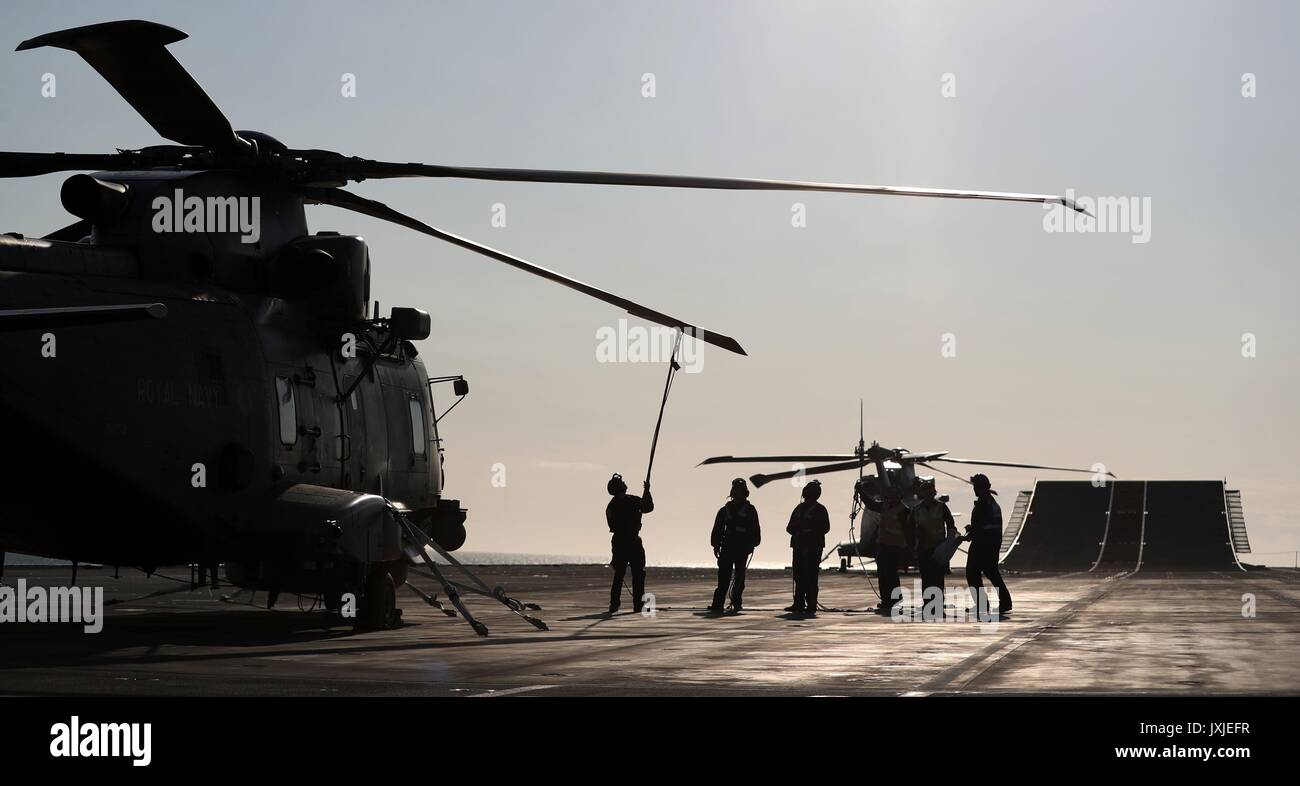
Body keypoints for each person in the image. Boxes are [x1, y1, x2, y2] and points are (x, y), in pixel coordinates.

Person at [708, 478, 761, 613]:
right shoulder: (724, 510)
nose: (738, 493)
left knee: (739, 578)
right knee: (723, 578)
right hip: (727, 548)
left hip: (742, 549)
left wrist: (752, 544)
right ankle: (718, 603)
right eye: (736, 491)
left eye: (740, 491)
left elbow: (755, 530)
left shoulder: (750, 510)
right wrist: (716, 545)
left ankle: (736, 602)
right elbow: (718, 529)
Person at [963, 473, 1012, 618]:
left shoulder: (984, 504)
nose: (975, 489)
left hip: (983, 545)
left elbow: (981, 526)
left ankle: (984, 603)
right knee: (992, 573)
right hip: (991, 543)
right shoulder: (991, 503)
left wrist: (970, 533)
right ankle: (1004, 602)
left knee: (972, 573)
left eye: (977, 486)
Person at [909, 477, 957, 620]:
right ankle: (928, 605)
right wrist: (912, 546)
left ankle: (937, 605)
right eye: (926, 492)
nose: (929, 495)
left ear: (933, 493)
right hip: (924, 549)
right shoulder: (916, 510)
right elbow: (910, 529)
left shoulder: (942, 507)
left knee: (937, 579)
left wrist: (949, 544)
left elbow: (951, 526)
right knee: (926, 579)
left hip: (938, 550)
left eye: (931, 492)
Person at [606, 473, 653, 614]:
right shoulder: (617, 504)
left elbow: (647, 507)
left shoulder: (627, 501)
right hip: (625, 541)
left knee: (633, 574)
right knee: (626, 574)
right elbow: (647, 507)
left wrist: (647, 491)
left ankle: (630, 604)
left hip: (626, 541)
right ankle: (620, 604)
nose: (625, 483)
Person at [785, 480, 830, 617]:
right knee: (798, 575)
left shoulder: (820, 510)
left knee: (811, 575)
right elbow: (789, 527)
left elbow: (825, 528)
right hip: (799, 546)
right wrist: (799, 530)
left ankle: (811, 603)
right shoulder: (799, 509)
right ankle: (798, 603)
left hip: (813, 547)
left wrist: (809, 531)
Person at [874, 486, 910, 615]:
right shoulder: (884, 506)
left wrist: (908, 548)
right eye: (889, 497)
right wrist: (861, 493)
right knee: (883, 574)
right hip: (883, 545)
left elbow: (908, 530)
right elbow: (872, 504)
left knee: (891, 574)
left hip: (895, 546)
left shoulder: (903, 511)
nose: (891, 499)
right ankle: (886, 600)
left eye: (893, 497)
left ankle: (894, 600)